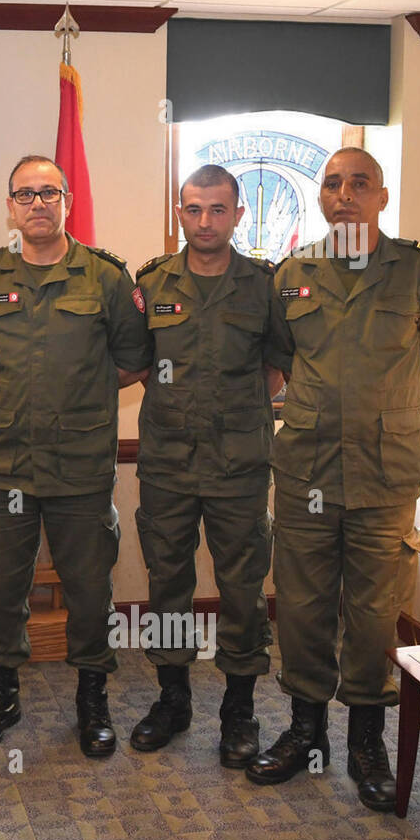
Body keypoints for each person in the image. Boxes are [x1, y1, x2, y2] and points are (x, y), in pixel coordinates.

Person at [247, 147, 420, 812]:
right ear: (322, 197)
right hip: (306, 466)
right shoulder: (292, 273)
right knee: (305, 607)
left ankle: (368, 740)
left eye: (358, 183)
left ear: (382, 197)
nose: (343, 194)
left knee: (372, 615)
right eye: (332, 183)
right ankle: (306, 733)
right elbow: (277, 369)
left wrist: (386, 419)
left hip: (384, 476)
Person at [0, 155, 150, 757]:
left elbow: (132, 361)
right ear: (10, 206)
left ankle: (93, 697)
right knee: (3, 589)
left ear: (67, 202)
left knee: (89, 588)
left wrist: (74, 395)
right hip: (2, 464)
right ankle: (2, 693)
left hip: (81, 465)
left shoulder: (107, 279)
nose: (38, 205)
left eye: (49, 193)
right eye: (25, 195)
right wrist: (13, 393)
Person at [129, 165, 290, 765]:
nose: (204, 221)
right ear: (180, 212)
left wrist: (235, 409)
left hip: (239, 465)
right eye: (193, 209)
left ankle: (238, 710)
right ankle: (173, 700)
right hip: (167, 463)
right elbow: (139, 363)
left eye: (217, 210)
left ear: (238, 216)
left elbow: (274, 368)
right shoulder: (151, 282)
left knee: (243, 588)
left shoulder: (263, 286)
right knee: (168, 582)